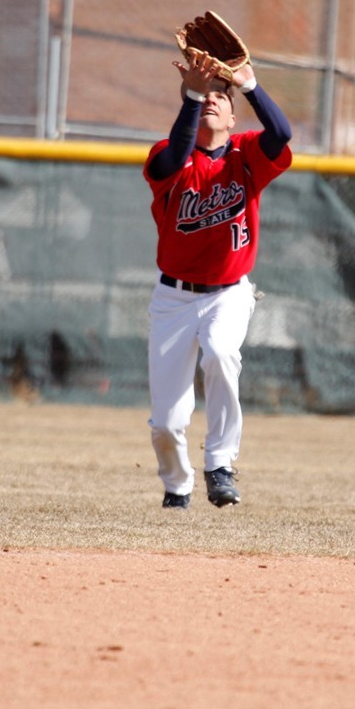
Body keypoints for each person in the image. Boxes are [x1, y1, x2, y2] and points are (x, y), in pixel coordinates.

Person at [144, 49, 293, 509]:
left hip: (229, 294)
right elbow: (176, 152)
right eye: (205, 95)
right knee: (167, 422)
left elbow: (282, 133)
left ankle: (220, 465)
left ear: (233, 116)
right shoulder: (169, 159)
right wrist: (191, 93)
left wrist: (248, 84)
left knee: (224, 354)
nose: (212, 99)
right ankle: (177, 486)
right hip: (173, 298)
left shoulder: (247, 154)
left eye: (219, 96)